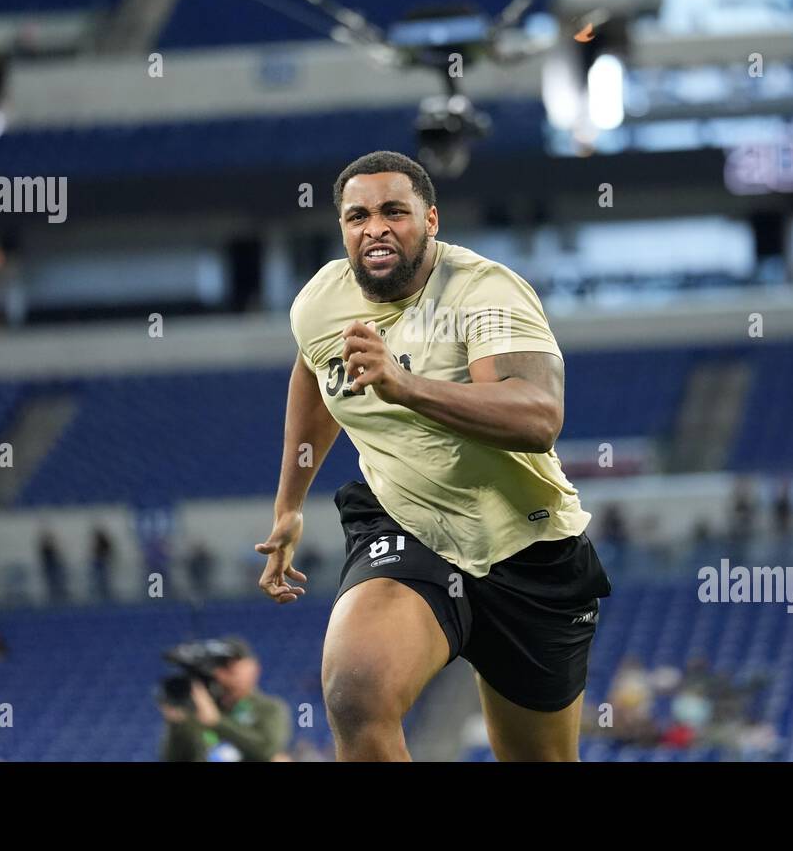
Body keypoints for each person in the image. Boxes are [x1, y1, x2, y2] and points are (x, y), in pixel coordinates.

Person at [255, 150, 611, 761]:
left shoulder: (484, 291)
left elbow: (538, 417)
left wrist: (406, 386)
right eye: (357, 216)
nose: (375, 228)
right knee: (355, 692)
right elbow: (314, 372)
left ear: (432, 220)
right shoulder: (322, 300)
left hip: (528, 549)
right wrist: (288, 505)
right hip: (405, 523)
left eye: (395, 211)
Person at [159, 638, 291, 762]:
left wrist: (217, 722)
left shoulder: (267, 708)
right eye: (220, 665)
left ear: (253, 667)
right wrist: (176, 725)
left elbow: (266, 750)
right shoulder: (197, 711)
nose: (225, 670)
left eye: (232, 664)